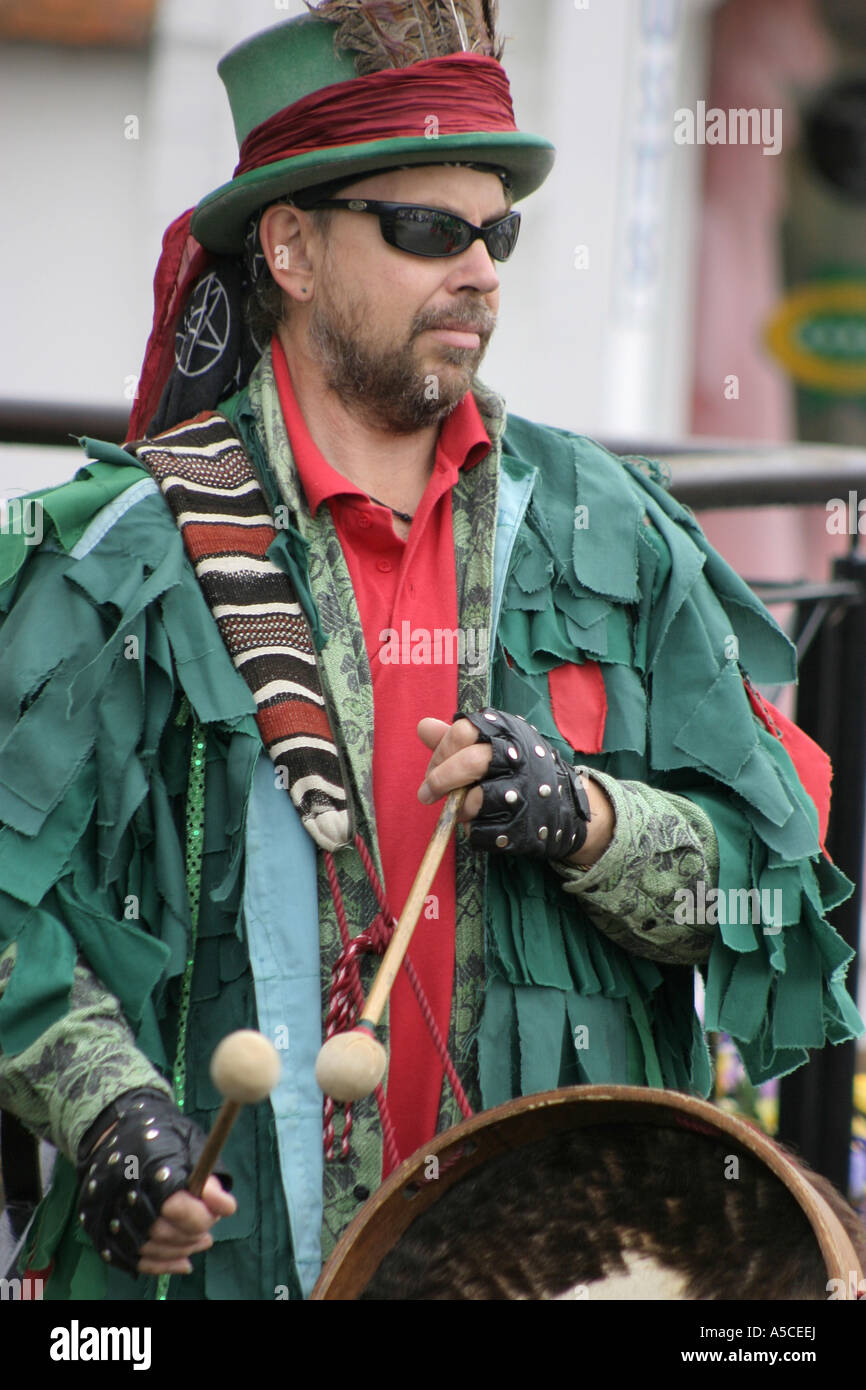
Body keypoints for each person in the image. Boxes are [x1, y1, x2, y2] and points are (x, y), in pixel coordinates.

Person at [0, 2, 861, 1302]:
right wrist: (112, 1117)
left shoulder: (612, 534)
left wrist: (588, 818)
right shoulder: (111, 554)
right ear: (288, 245)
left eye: (496, 230)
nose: (479, 270)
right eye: (425, 230)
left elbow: (764, 896)